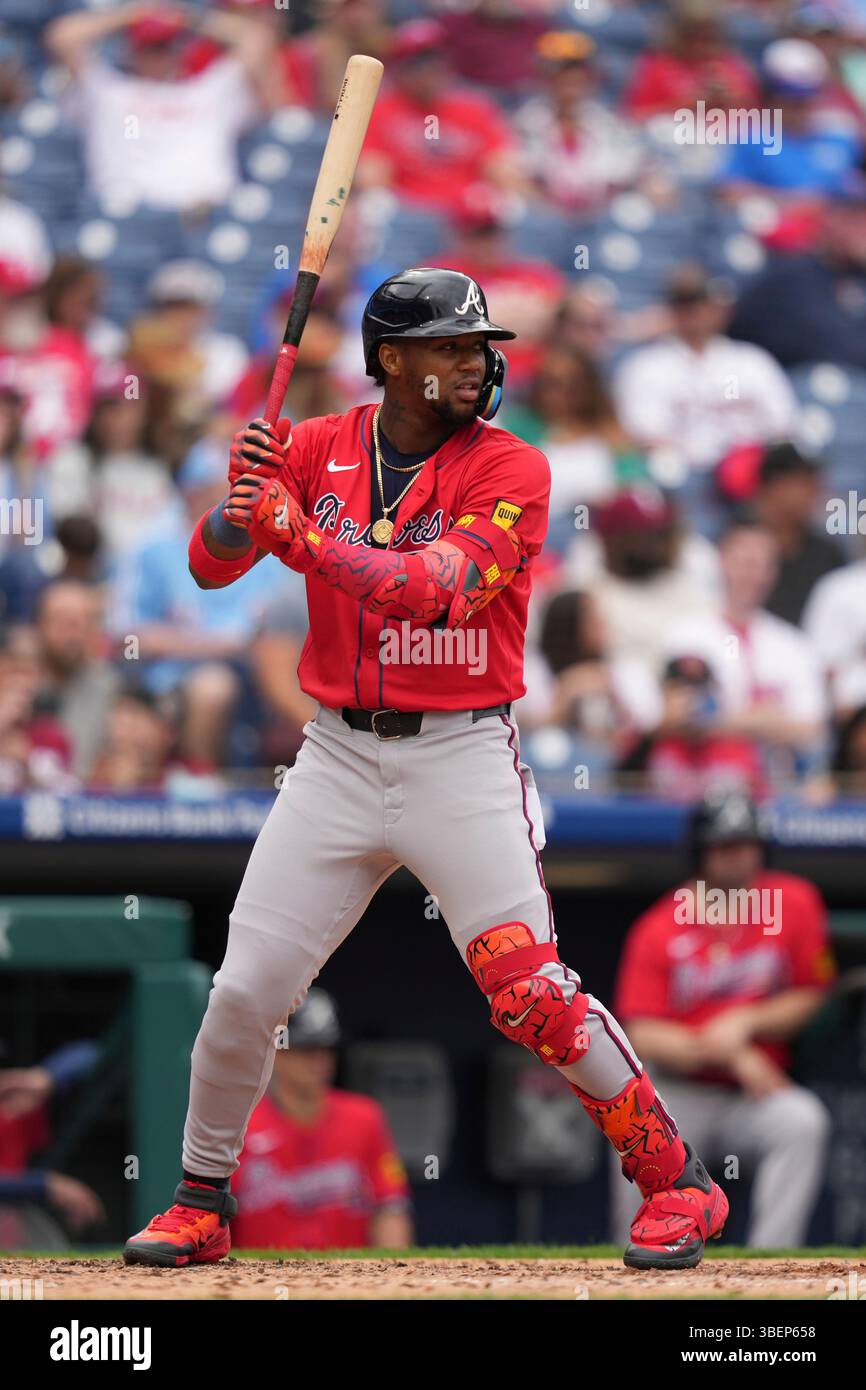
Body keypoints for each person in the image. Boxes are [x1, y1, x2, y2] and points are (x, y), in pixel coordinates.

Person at [123, 266, 727, 1273]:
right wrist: (243, 501)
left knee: (527, 989)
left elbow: (429, 590)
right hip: (334, 754)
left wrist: (301, 535)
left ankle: (677, 1183)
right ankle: (197, 1200)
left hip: (459, 752)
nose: (474, 362)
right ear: (390, 361)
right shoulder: (314, 445)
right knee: (241, 994)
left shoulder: (513, 469)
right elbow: (209, 564)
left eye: (476, 345)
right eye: (449, 346)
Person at [612, 791, 834, 1247]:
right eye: (724, 846)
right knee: (632, 1124)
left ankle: (772, 1269)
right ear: (700, 853)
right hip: (677, 1096)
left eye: (746, 844)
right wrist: (732, 1051)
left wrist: (747, 1021)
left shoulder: (794, 901)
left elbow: (813, 996)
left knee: (802, 1120)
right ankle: (642, 1265)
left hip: (753, 1096)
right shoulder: (660, 925)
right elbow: (642, 1032)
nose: (738, 857)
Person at [231, 989, 412, 1250]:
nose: (320, 1061)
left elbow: (390, 1207)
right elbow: (219, 1219)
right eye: (307, 1050)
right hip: (261, 1281)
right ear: (276, 1052)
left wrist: (394, 1277)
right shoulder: (240, 1123)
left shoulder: (365, 1116)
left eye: (327, 1049)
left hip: (347, 1281)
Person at [46, 3, 271, 212]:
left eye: (165, 46)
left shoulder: (207, 91)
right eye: (149, 47)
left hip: (204, 214)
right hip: (131, 217)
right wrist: (131, 14)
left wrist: (187, 17)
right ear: (132, 50)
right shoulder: (108, 91)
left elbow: (257, 39)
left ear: (178, 49)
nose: (158, 56)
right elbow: (62, 37)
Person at [664, 515, 828, 780]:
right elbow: (679, 718)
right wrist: (764, 719)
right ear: (722, 562)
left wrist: (721, 718)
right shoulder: (687, 635)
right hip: (702, 783)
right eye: (746, 563)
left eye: (765, 565)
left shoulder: (794, 644)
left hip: (780, 785)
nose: (755, 575)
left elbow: (811, 727)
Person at [613, 264, 799, 480]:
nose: (697, 313)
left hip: (754, 480)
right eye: (686, 305)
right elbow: (643, 439)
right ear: (671, 309)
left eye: (704, 304)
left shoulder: (753, 361)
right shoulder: (645, 366)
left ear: (722, 309)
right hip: (680, 479)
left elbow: (784, 428)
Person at [358, 20, 525, 213]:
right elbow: (371, 176)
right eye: (419, 61)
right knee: (373, 205)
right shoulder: (380, 110)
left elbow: (503, 169)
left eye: (437, 58)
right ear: (400, 68)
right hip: (405, 212)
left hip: (467, 215)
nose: (431, 69)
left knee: (512, 207)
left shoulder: (474, 109)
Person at [729, 175, 866, 370]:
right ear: (829, 219)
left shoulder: (858, 278)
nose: (863, 229)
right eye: (855, 218)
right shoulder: (788, 279)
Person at [514, 31, 647, 214]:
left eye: (578, 69)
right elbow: (521, 179)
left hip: (600, 219)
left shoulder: (610, 124)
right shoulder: (524, 124)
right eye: (561, 70)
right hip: (544, 219)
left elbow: (624, 175)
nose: (571, 78)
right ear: (543, 76)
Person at [717, 39, 863, 202]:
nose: (802, 106)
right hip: (775, 221)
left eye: (808, 98)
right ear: (771, 97)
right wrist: (795, 201)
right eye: (792, 100)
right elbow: (729, 192)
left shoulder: (840, 135)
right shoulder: (750, 139)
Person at [34, 579, 119, 781]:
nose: (69, 634)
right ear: (41, 625)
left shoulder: (111, 689)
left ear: (94, 630)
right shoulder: (16, 680)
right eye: (60, 621)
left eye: (77, 623)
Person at [752, 442, 845, 626]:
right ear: (774, 486)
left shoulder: (828, 554)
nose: (816, 492)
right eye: (804, 483)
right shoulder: (735, 546)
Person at [623, 0, 758, 121]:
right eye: (694, 37)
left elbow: (756, 113)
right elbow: (635, 117)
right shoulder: (656, 67)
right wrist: (693, 103)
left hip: (729, 139)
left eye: (710, 37)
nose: (702, 45)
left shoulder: (731, 64)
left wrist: (730, 97)